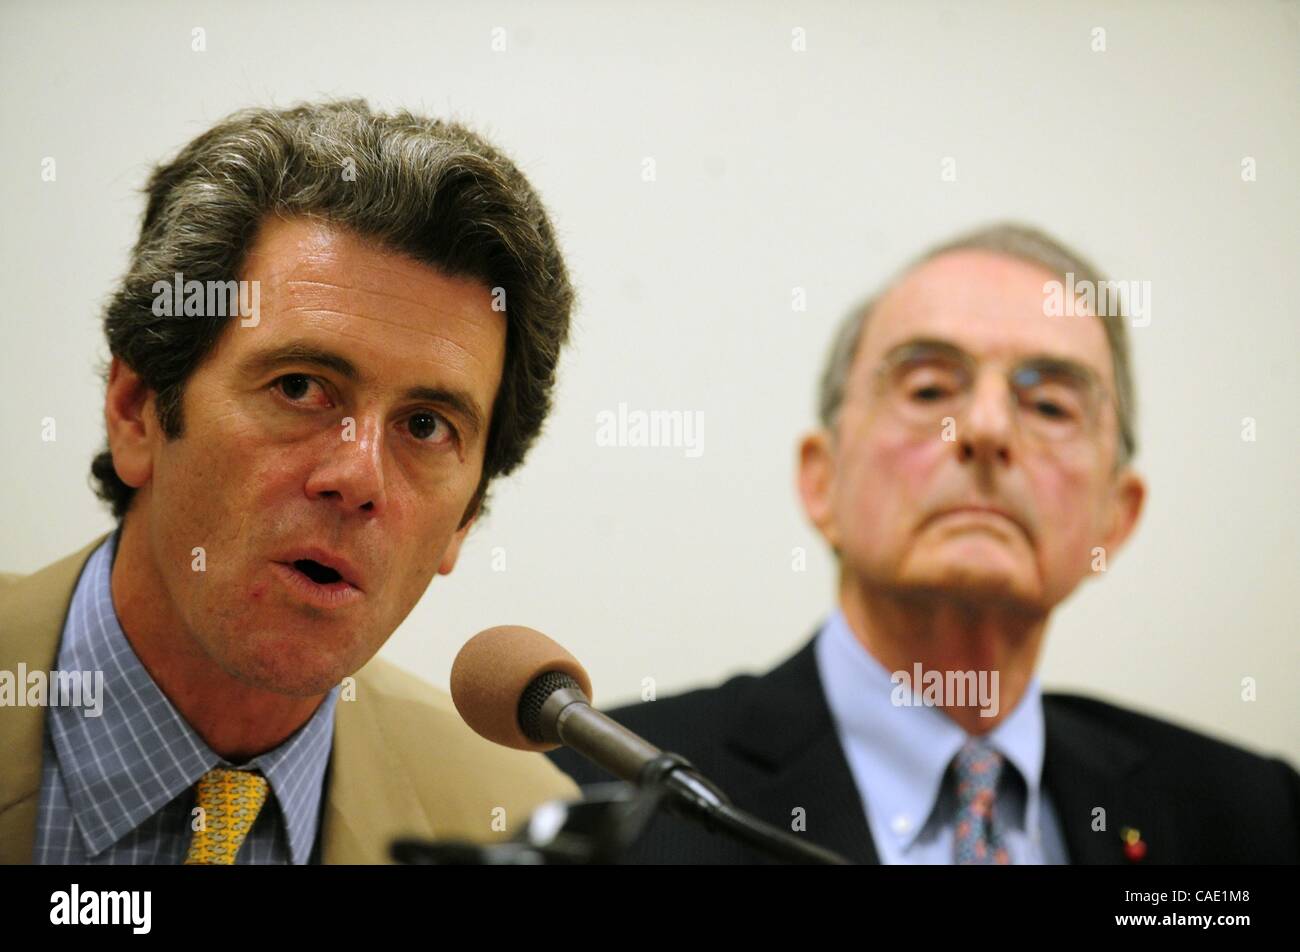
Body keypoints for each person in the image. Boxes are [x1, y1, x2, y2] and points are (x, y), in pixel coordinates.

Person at [549, 223, 1300, 864]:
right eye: (931, 390)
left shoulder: (1246, 818)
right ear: (822, 480)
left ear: (1117, 515)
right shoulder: (611, 799)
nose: (985, 430)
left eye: (1048, 404)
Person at [0, 99, 579, 864]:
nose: (358, 477)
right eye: (301, 387)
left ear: (466, 519)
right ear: (137, 409)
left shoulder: (513, 828)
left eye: (427, 426)